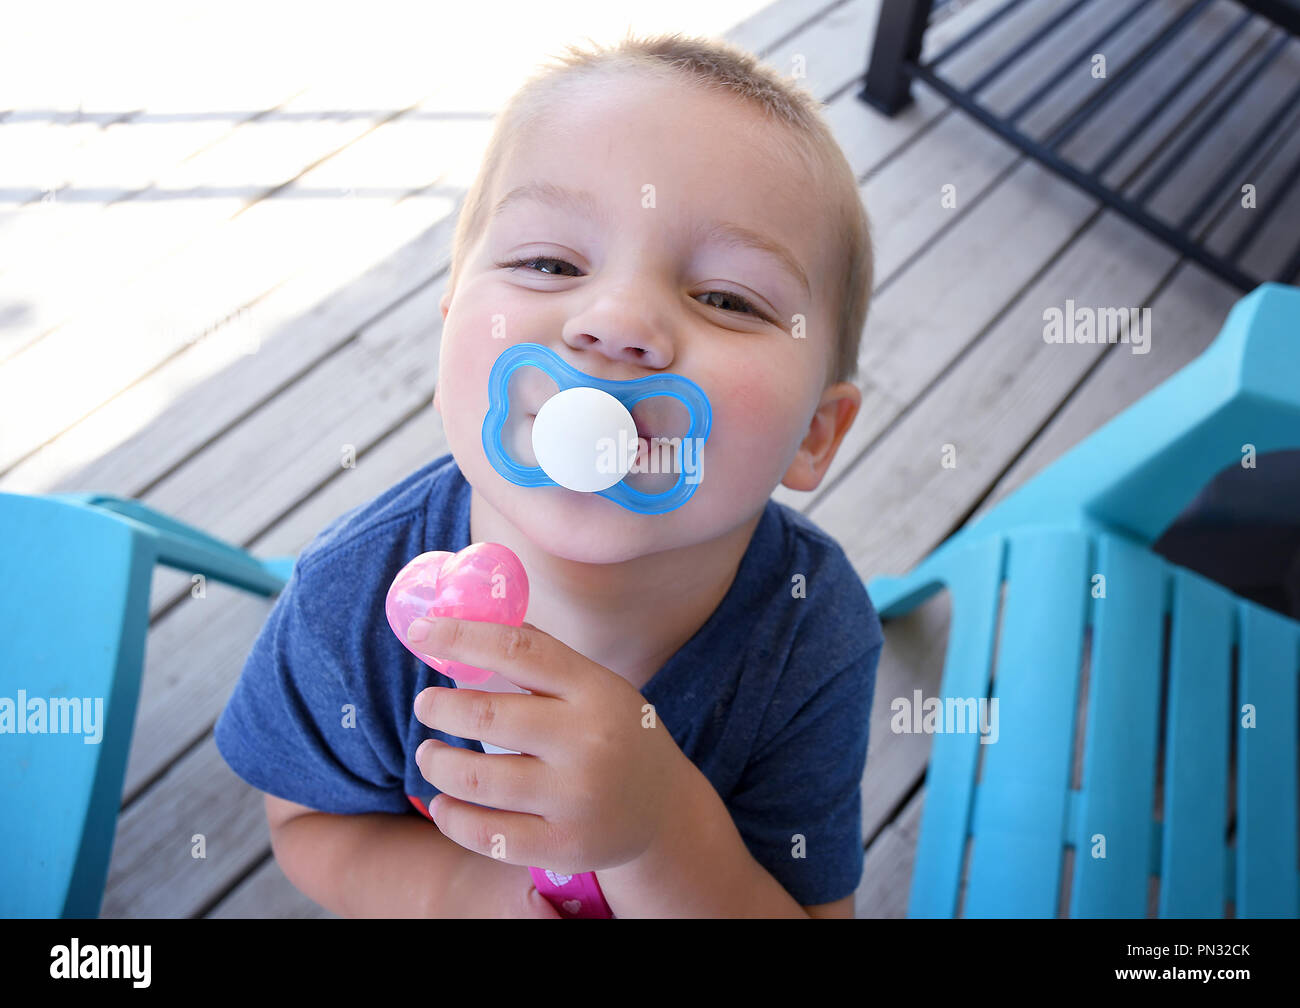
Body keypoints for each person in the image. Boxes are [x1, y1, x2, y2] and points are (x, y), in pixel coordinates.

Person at [216, 30, 882, 918]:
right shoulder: (352, 602)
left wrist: (660, 833)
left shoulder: (811, 629)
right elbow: (309, 823)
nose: (614, 320)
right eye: (550, 264)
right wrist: (469, 893)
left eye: (726, 298)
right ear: (452, 323)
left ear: (815, 433)